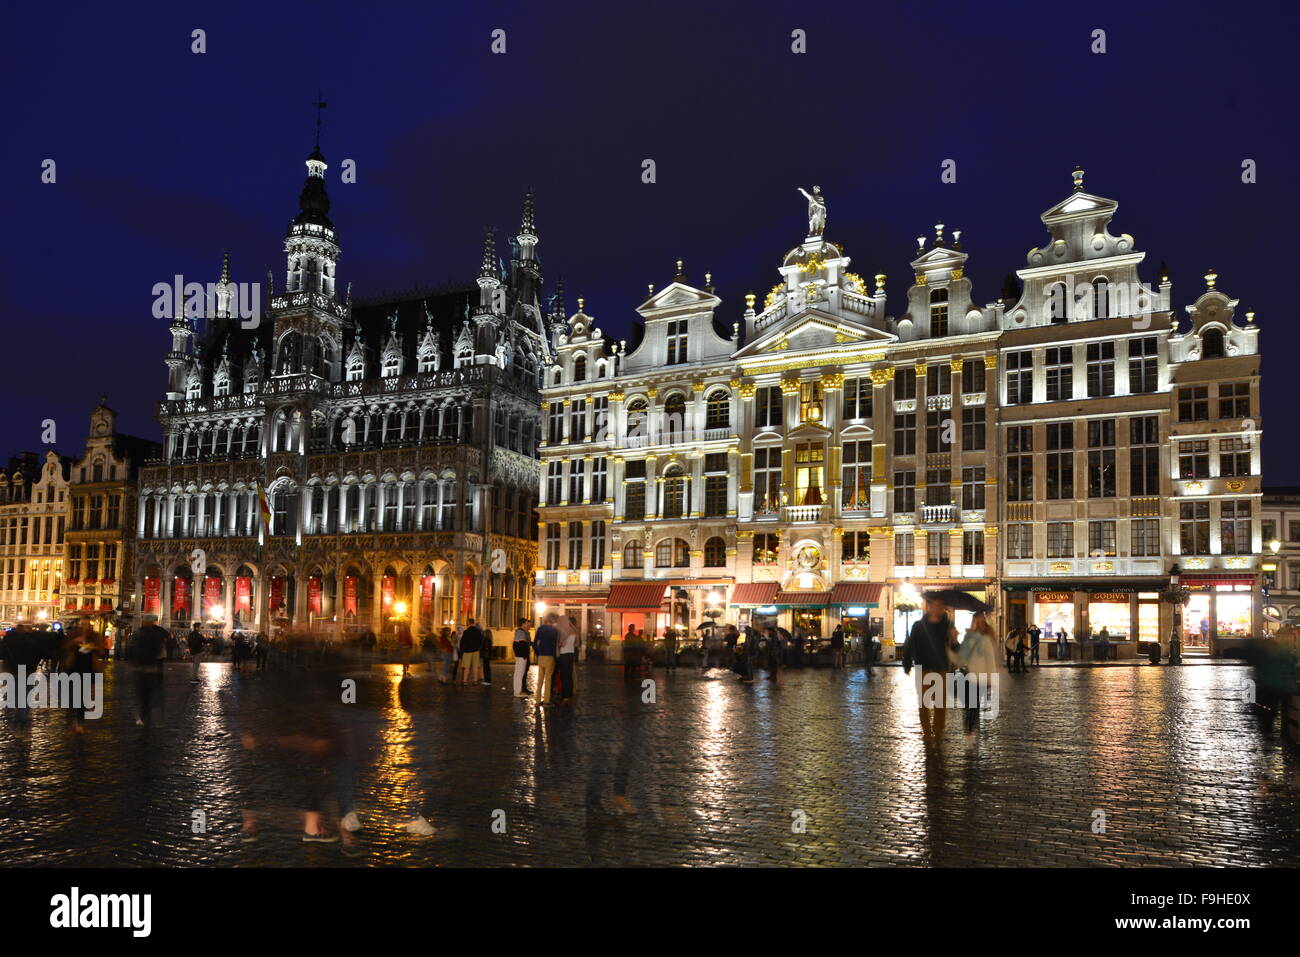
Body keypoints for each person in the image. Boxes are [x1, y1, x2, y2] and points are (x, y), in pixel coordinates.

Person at [902, 598, 958, 748]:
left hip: (940, 668)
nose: (936, 608)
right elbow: (910, 644)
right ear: (928, 608)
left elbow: (954, 647)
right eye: (934, 605)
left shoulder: (948, 625)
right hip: (923, 668)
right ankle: (927, 732)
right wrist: (907, 663)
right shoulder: (918, 625)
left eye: (939, 605)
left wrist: (954, 639)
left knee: (940, 704)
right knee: (924, 703)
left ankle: (938, 733)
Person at [956, 611, 1000, 736]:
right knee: (967, 704)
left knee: (974, 704)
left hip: (980, 676)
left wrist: (991, 677)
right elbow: (963, 653)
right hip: (966, 674)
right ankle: (969, 729)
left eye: (976, 619)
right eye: (973, 620)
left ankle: (972, 730)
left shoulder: (986, 636)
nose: (974, 622)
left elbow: (990, 658)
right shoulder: (969, 635)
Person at [130, 616, 170, 727]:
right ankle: (153, 717)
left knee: (144, 694)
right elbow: (167, 637)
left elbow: (132, 649)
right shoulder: (156, 632)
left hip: (141, 667)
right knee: (153, 693)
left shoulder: (139, 633)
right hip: (151, 666)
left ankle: (145, 716)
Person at [534, 614, 559, 705]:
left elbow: (535, 643)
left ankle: (537, 700)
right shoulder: (553, 631)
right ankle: (546, 700)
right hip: (549, 656)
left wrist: (538, 653)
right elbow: (553, 646)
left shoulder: (540, 629)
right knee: (548, 679)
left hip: (541, 656)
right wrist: (555, 657)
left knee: (540, 679)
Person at [555, 615, 577, 702]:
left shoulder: (565, 632)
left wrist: (558, 644)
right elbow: (576, 644)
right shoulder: (574, 631)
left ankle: (565, 695)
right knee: (569, 675)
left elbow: (561, 644)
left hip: (564, 655)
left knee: (564, 676)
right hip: (571, 654)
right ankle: (570, 693)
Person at [457, 620, 485, 686]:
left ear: (468, 623)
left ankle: (465, 681)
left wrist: (462, 650)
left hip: (467, 651)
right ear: (473, 623)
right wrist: (478, 648)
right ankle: (475, 681)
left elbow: (462, 641)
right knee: (475, 667)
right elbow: (481, 641)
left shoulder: (466, 632)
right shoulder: (478, 632)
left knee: (467, 667)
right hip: (476, 651)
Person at [512, 619, 532, 697]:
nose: (528, 625)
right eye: (527, 623)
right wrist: (524, 655)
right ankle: (518, 692)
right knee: (520, 673)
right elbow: (520, 645)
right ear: (523, 624)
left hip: (520, 656)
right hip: (521, 656)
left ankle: (518, 690)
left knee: (518, 673)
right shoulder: (521, 632)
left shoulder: (520, 632)